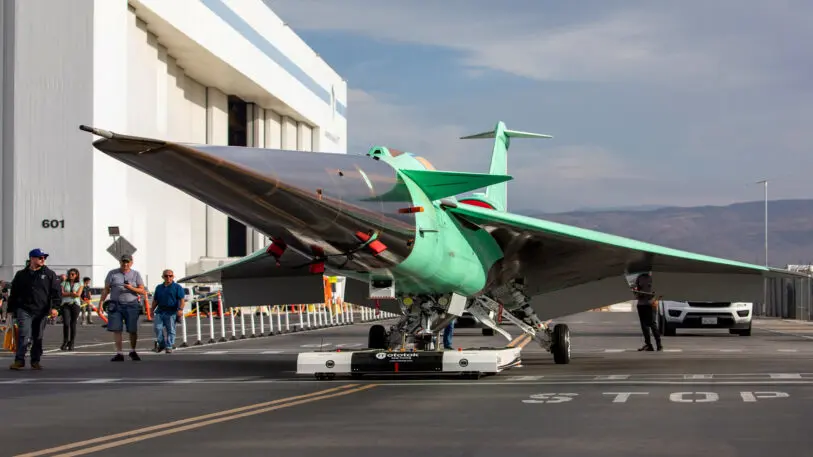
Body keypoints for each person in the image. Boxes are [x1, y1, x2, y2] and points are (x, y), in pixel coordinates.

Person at [8, 249, 61, 370]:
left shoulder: (49, 274)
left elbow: (56, 292)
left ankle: (35, 360)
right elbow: (14, 292)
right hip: (24, 309)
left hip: (41, 310)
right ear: (32, 258)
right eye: (40, 257)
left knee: (37, 336)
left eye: (44, 258)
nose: (43, 260)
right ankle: (19, 360)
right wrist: (10, 309)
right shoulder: (21, 274)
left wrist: (55, 307)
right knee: (24, 334)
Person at [98, 254, 146, 361]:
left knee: (132, 329)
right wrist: (101, 303)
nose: (125, 264)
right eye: (123, 262)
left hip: (131, 304)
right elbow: (106, 289)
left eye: (127, 262)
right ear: (120, 262)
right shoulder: (112, 273)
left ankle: (133, 351)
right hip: (115, 305)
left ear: (131, 263)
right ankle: (119, 353)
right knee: (117, 329)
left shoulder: (136, 274)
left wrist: (131, 288)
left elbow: (142, 291)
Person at [150, 269, 185, 353]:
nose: (168, 277)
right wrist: (152, 310)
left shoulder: (177, 287)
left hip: (171, 312)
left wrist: (180, 309)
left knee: (171, 330)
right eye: (166, 276)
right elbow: (155, 300)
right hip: (160, 311)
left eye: (170, 276)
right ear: (163, 277)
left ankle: (169, 346)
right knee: (157, 328)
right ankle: (162, 344)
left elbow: (182, 300)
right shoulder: (159, 287)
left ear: (173, 277)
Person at [632, 273, 662, 351]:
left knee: (652, 324)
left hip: (650, 304)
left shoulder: (654, 277)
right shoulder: (639, 277)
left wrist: (654, 299)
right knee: (644, 326)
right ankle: (648, 345)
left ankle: (659, 345)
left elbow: (660, 292)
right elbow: (636, 291)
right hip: (641, 304)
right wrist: (636, 292)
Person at [59, 268, 83, 351]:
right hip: (65, 304)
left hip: (75, 304)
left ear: (76, 275)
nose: (71, 275)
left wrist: (69, 294)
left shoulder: (80, 283)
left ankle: (71, 342)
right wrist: (72, 294)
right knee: (66, 323)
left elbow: (78, 294)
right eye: (69, 274)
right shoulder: (64, 283)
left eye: (73, 274)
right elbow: (62, 293)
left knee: (73, 324)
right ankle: (65, 341)